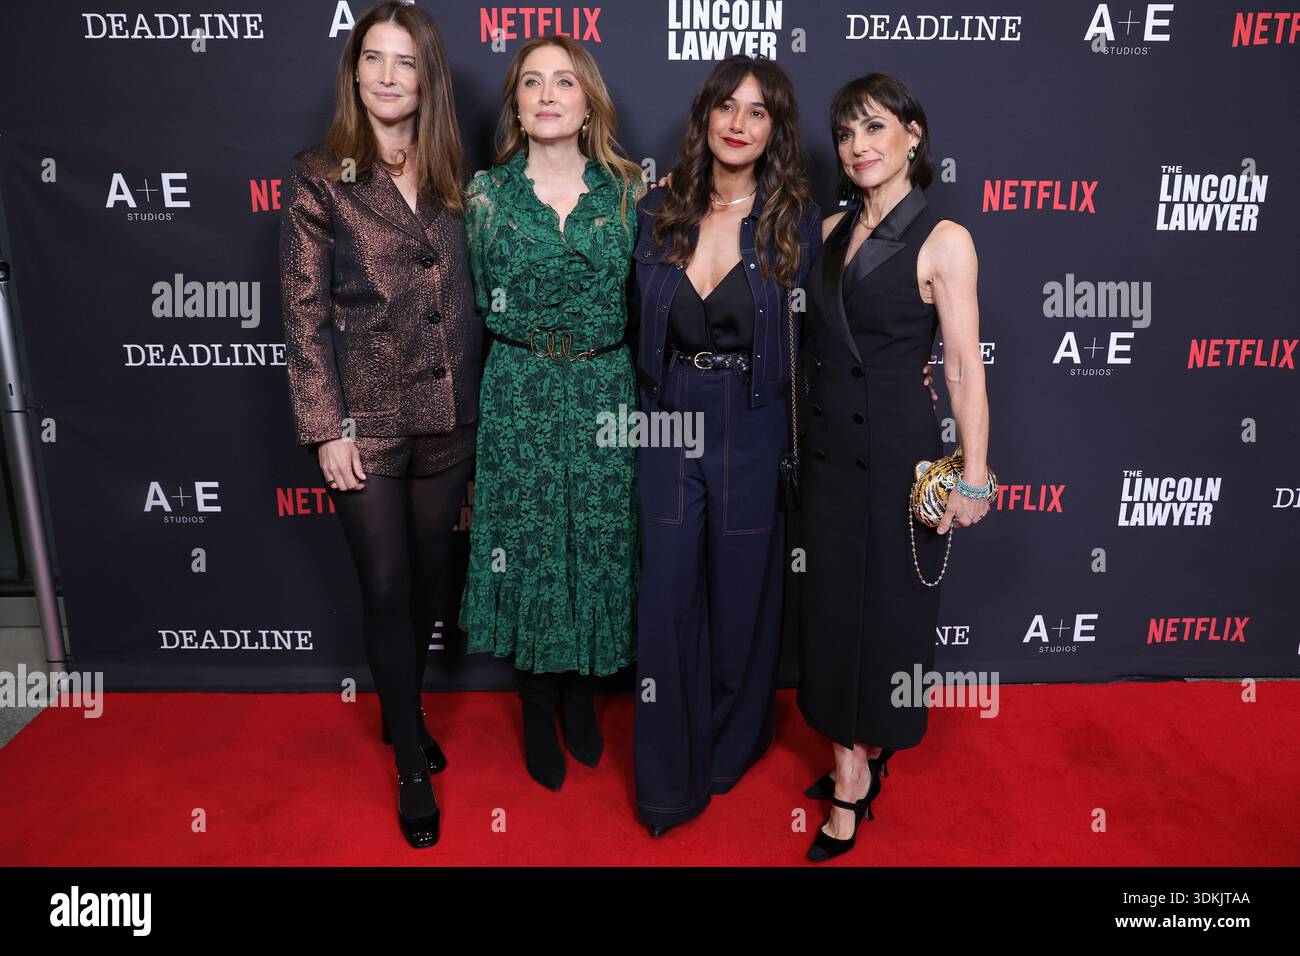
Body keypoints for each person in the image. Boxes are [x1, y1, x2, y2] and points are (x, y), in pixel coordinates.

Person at [279, 1, 477, 849]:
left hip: (453, 418)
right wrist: (327, 427)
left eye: (404, 61)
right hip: (368, 422)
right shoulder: (320, 178)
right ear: (354, 71)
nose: (387, 76)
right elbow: (303, 312)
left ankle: (406, 710)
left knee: (435, 582)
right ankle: (407, 763)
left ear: (426, 75)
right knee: (387, 588)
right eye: (373, 59)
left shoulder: (455, 173)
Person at [797, 73, 992, 862]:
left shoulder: (944, 238)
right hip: (825, 457)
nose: (858, 147)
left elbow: (963, 367)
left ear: (913, 134)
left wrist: (975, 475)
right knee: (833, 609)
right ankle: (851, 756)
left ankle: (856, 771)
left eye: (875, 129)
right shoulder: (831, 224)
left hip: (899, 454)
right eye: (847, 135)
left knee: (891, 611)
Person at [629, 55, 820, 837]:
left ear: (775, 130)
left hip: (752, 414)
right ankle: (668, 777)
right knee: (668, 593)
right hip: (668, 410)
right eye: (726, 107)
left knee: (743, 593)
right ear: (704, 115)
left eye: (758, 111)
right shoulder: (655, 209)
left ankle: (730, 747)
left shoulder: (797, 219)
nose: (738, 123)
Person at [457, 36, 645, 791]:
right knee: (530, 540)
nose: (546, 94)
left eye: (563, 81)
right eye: (530, 82)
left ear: (587, 99)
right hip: (520, 387)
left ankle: (582, 696)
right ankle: (537, 701)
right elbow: (470, 302)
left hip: (604, 387)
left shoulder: (627, 192)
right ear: (516, 104)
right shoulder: (485, 196)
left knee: (597, 538)